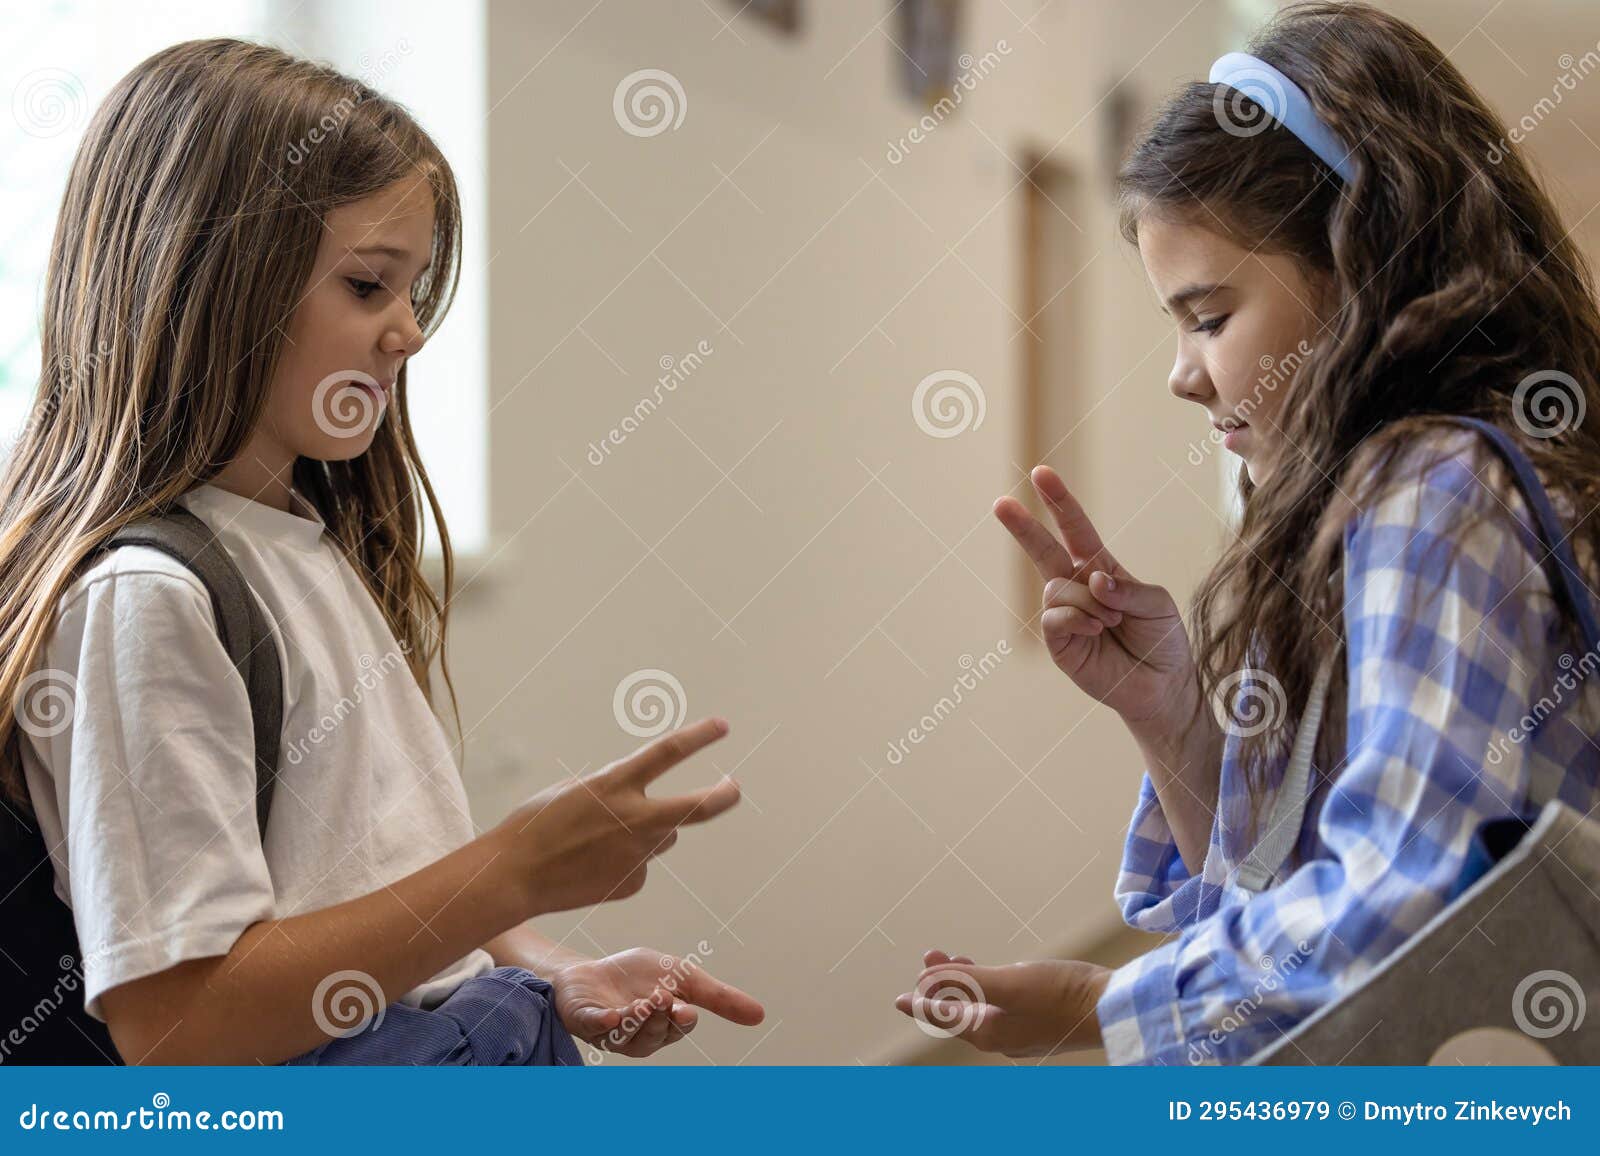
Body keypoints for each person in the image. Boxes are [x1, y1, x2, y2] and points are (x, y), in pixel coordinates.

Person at [0, 38, 762, 1066]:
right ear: (208, 281)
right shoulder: (148, 598)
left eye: (411, 291)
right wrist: (511, 870)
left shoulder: (305, 545)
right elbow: (179, 1023)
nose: (406, 331)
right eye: (368, 286)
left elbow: (373, 870)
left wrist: (538, 964)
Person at [895, 1, 1600, 1064]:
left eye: (1209, 317)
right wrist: (1174, 718)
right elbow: (1278, 903)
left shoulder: (1431, 483)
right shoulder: (1379, 498)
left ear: (1361, 260)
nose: (1183, 374)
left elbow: (1400, 891)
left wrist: (1102, 1004)